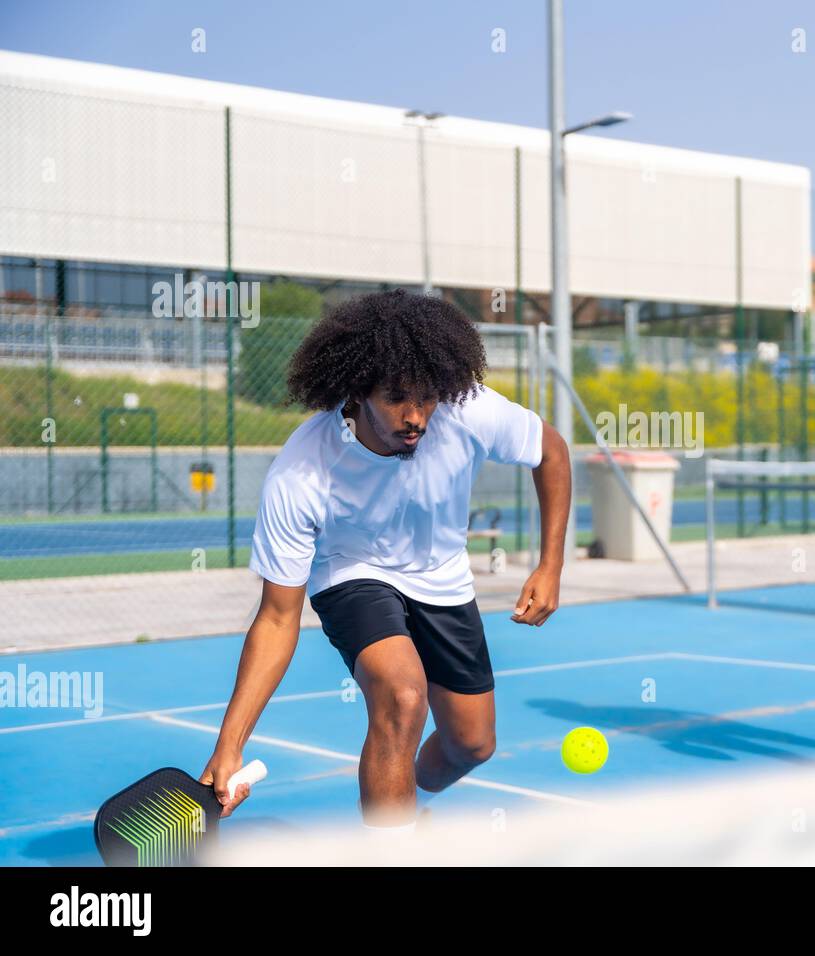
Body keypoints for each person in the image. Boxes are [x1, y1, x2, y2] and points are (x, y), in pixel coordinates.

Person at [200, 289, 571, 829]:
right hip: (352, 572)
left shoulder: (467, 409)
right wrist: (229, 745)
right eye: (397, 399)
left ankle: (397, 796)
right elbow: (279, 617)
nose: (416, 416)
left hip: (442, 577)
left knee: (472, 744)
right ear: (357, 388)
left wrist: (550, 565)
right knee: (401, 695)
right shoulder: (302, 472)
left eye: (427, 398)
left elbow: (552, 450)